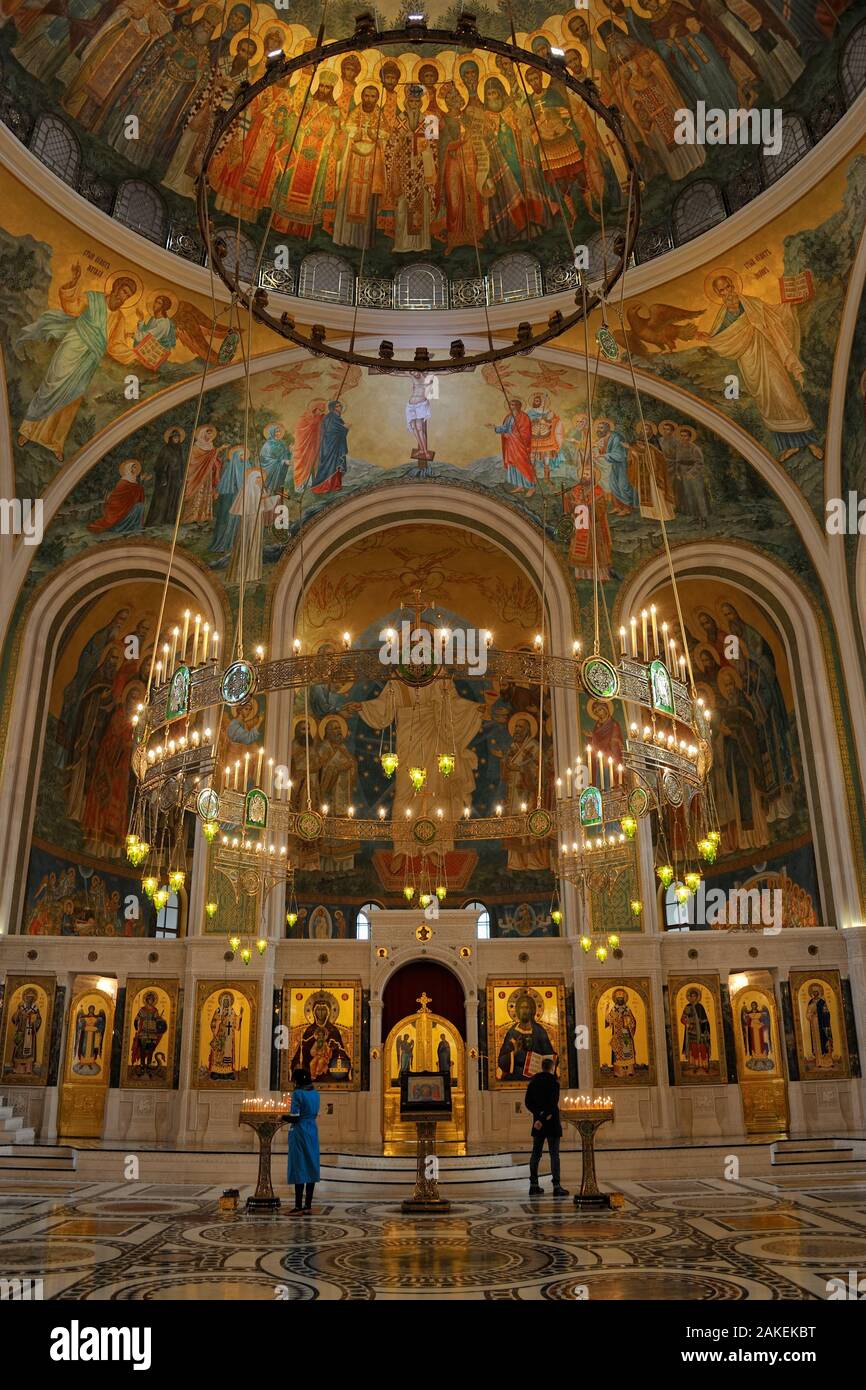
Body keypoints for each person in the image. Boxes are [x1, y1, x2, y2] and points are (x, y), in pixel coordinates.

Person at [524, 1058, 569, 1198]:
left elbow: (527, 1102)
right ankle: (556, 1186)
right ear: (552, 1067)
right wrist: (544, 1118)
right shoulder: (554, 1082)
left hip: (538, 1123)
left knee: (535, 1154)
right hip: (551, 1123)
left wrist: (538, 1117)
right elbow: (552, 1103)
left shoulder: (533, 1082)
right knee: (554, 1154)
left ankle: (534, 1185)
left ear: (542, 1067)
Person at [286, 1066, 320, 1214]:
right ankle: (308, 1205)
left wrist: (281, 1117)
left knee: (299, 1165)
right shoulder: (315, 1093)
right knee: (311, 1164)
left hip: (299, 1131)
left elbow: (295, 1117)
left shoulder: (297, 1093)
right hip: (312, 1130)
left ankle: (298, 1206)